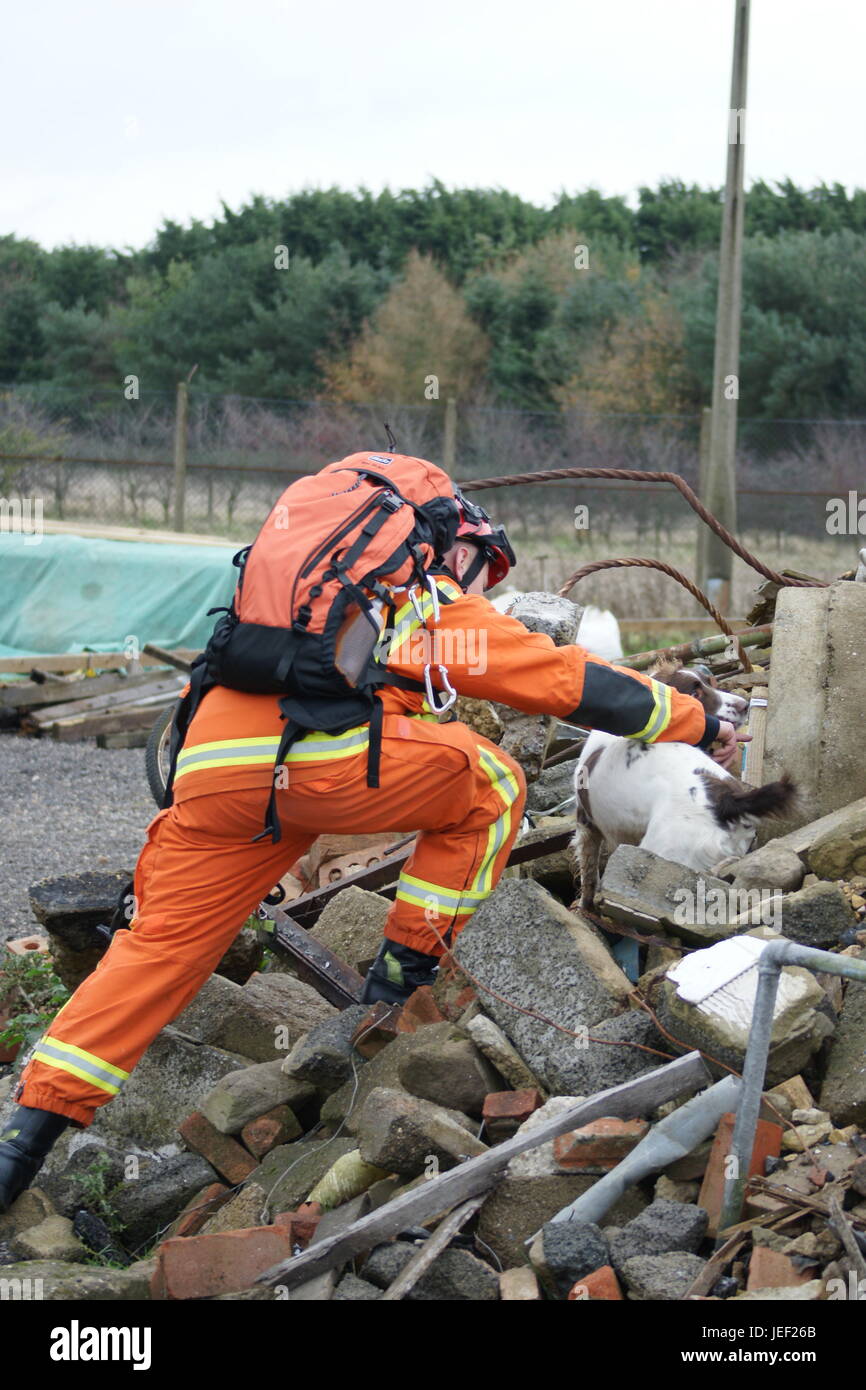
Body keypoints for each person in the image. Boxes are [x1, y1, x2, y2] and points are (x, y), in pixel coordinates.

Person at [0, 464, 742, 1211]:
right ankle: (398, 987)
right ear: (452, 543)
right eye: (478, 568)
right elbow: (561, 680)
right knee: (492, 784)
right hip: (319, 761)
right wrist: (698, 721)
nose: (477, 585)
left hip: (215, 772)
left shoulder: (290, 604)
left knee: (153, 956)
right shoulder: (417, 595)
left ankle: (20, 1143)